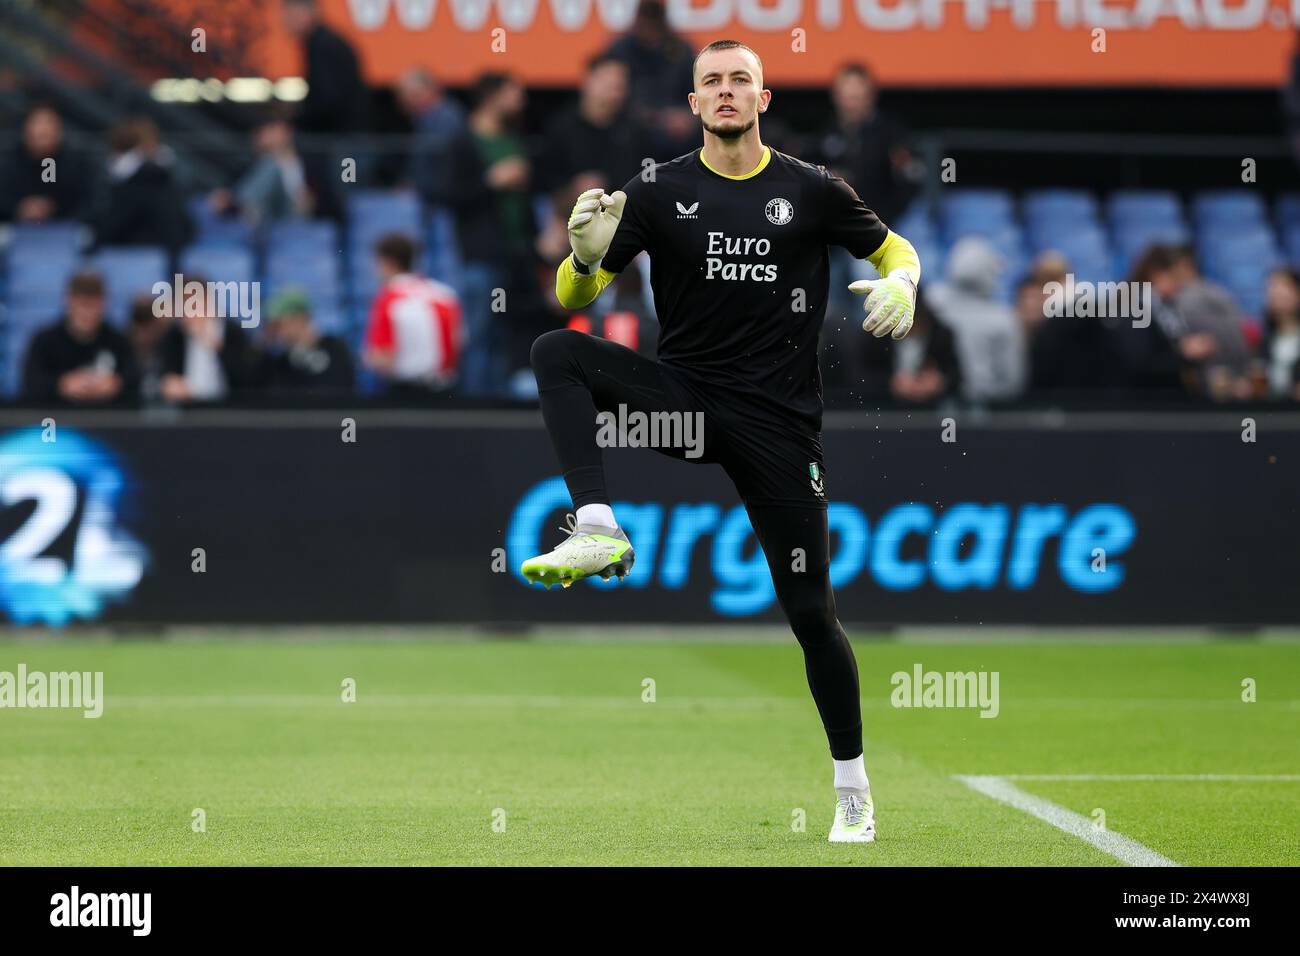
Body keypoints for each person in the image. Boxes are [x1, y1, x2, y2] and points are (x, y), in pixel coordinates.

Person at [520, 40, 922, 844]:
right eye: (713, 82)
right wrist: (582, 258)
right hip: (687, 405)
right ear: (695, 103)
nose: (728, 91)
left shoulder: (811, 190)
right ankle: (597, 529)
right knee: (556, 351)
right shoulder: (659, 189)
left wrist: (905, 287)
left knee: (813, 614)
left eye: (741, 80)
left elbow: (893, 249)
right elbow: (575, 295)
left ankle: (853, 790)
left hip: (778, 426)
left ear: (763, 99)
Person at [281, 0, 367, 220]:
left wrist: (292, 126)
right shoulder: (322, 43)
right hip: (342, 143)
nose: (285, 21)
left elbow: (327, 101)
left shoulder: (323, 45)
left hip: (341, 146)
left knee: (340, 206)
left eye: (289, 14)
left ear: (307, 12)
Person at [534, 54, 653, 196]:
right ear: (588, 81)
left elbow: (648, 178)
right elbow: (545, 178)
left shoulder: (636, 131)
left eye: (620, 83)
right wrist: (572, 188)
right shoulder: (561, 126)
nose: (614, 88)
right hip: (570, 210)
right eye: (606, 80)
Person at [362, 233, 463, 396]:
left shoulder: (389, 298)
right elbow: (459, 341)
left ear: (388, 263)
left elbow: (384, 358)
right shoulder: (445, 294)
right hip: (449, 392)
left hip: (407, 395)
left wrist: (364, 360)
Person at [22, 272, 138, 405]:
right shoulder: (44, 341)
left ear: (104, 304)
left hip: (108, 421)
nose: (87, 312)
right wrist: (61, 385)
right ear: (68, 302)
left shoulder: (120, 342)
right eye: (82, 304)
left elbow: (135, 382)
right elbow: (31, 384)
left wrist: (116, 384)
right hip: (56, 421)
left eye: (93, 305)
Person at [95, 117, 191, 255]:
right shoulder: (116, 168)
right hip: (126, 230)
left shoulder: (166, 163)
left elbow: (182, 189)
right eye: (141, 142)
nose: (147, 146)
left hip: (160, 231)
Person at [0, 104, 91, 223]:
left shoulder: (79, 163)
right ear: (24, 129)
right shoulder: (8, 163)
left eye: (48, 123)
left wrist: (54, 208)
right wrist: (18, 208)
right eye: (37, 123)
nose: (42, 130)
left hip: (65, 230)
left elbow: (89, 202)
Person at [257, 288, 355, 396]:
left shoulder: (335, 349)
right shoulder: (281, 361)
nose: (277, 332)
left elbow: (340, 391)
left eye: (279, 324)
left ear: (301, 319)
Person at [1261, 267, 1300, 399]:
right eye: (1272, 287)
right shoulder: (1265, 338)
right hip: (1272, 411)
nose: (1275, 292)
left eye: (1283, 286)